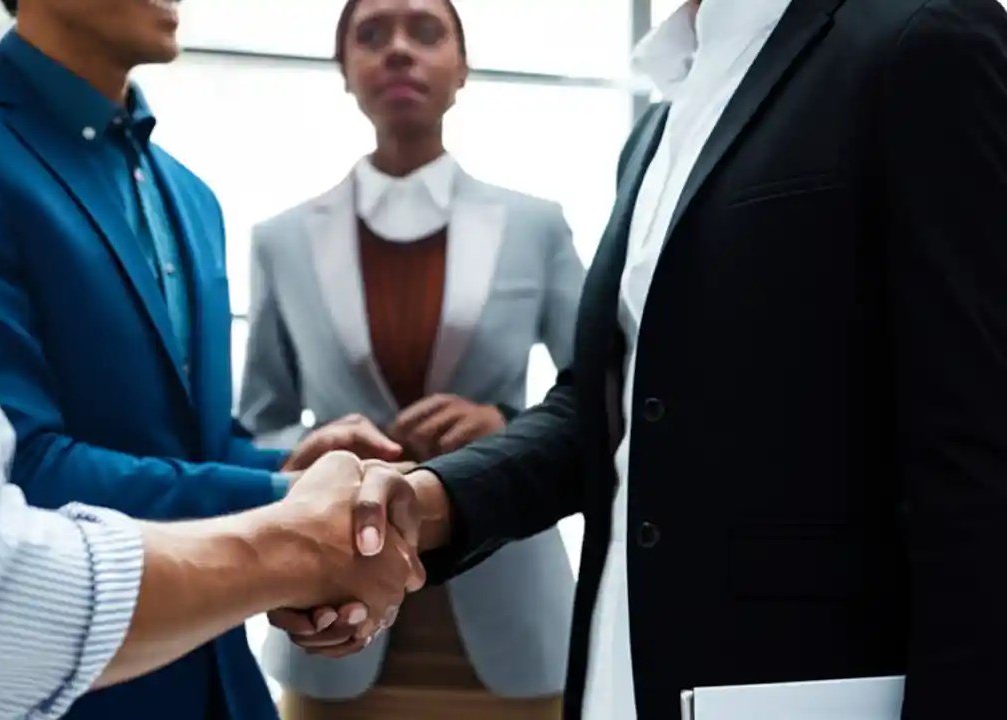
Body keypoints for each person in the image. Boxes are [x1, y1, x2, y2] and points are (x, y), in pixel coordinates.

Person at [272, 0, 1007, 718]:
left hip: (798, 679)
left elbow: (976, 441)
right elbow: (604, 404)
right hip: (616, 668)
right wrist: (426, 500)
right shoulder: (660, 121)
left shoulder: (923, 34)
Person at [0, 2, 419, 719]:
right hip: (60, 691)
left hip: (219, 681)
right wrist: (296, 518)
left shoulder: (191, 194)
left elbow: (192, 443)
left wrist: (286, 468)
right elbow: (14, 471)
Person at [240, 0, 582, 717]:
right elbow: (261, 422)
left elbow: (603, 394)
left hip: (514, 617)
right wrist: (310, 456)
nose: (398, 51)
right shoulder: (283, 240)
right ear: (344, 71)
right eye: (371, 36)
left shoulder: (535, 225)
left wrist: (505, 423)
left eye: (425, 31)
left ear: (462, 68)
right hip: (335, 618)